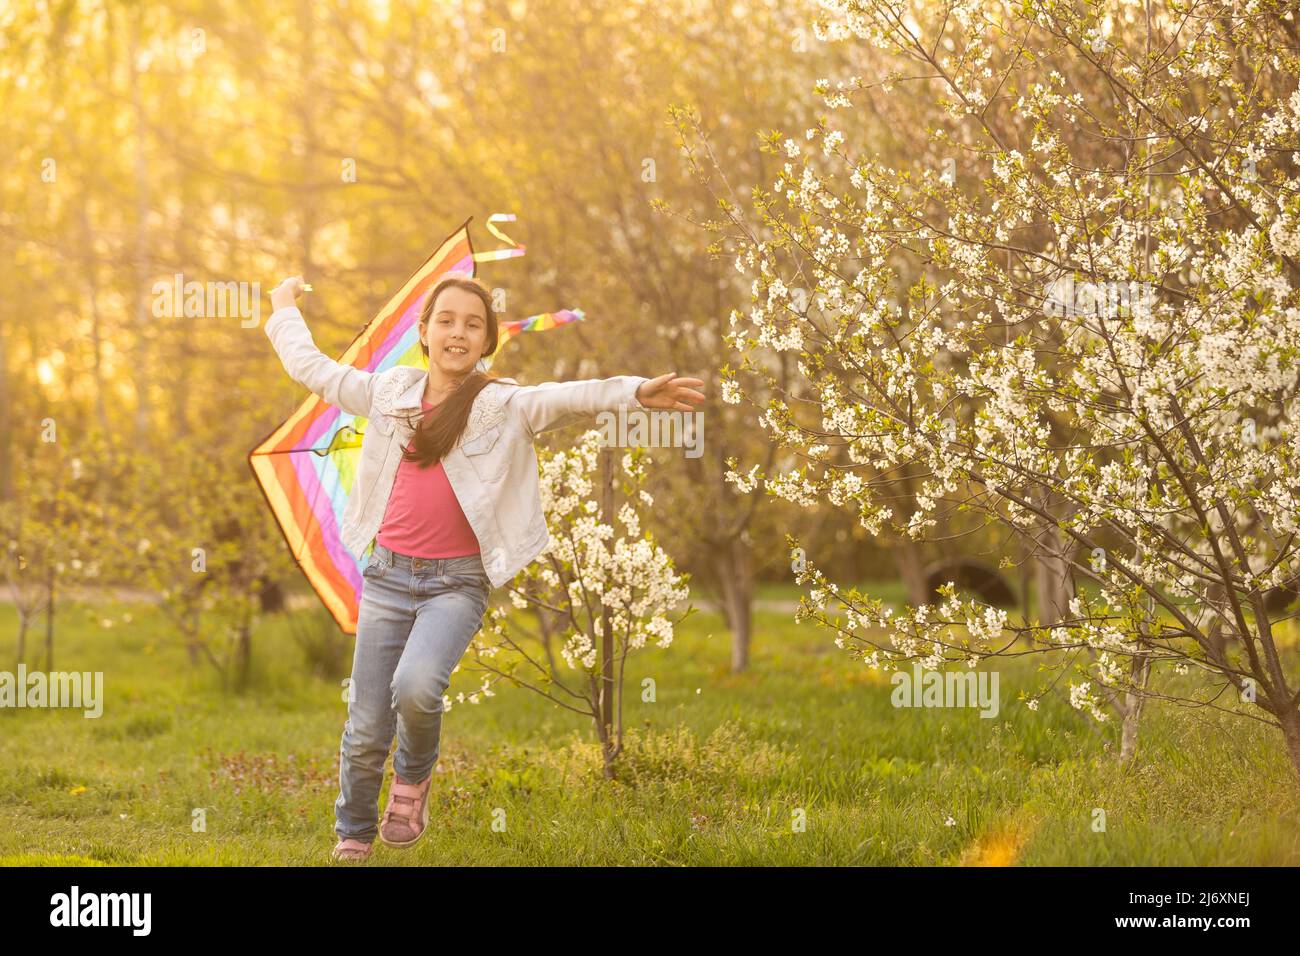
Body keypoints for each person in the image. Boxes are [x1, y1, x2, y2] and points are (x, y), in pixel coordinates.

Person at [264, 273, 705, 861]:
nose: (458, 333)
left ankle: (413, 779)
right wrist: (282, 308)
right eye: (446, 320)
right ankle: (354, 832)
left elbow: (570, 396)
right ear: (423, 333)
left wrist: (636, 391)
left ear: (487, 341)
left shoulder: (503, 404)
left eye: (473, 324)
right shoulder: (389, 392)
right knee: (367, 722)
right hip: (389, 577)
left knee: (417, 688)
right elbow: (314, 369)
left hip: (457, 584)